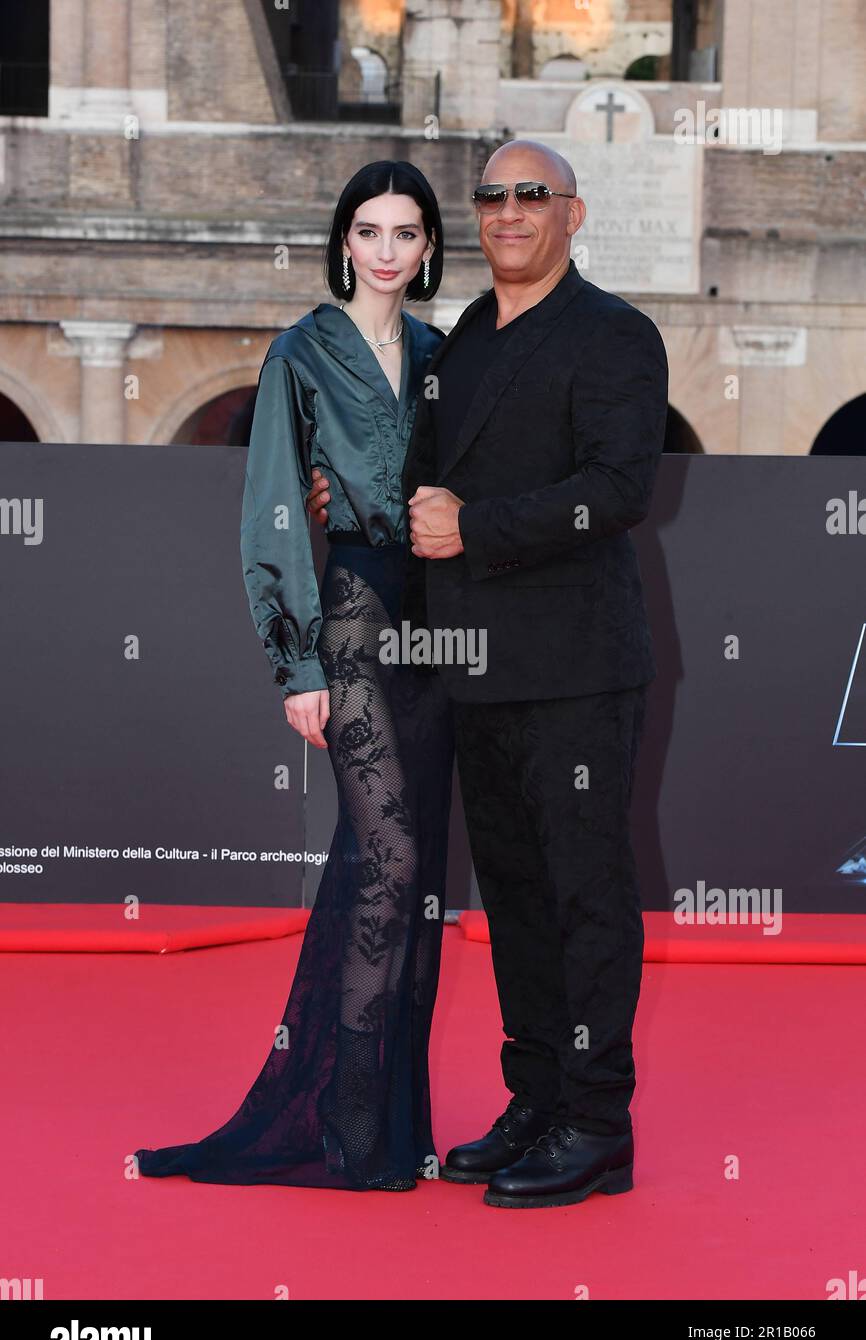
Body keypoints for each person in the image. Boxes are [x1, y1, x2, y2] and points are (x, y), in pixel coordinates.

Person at [308, 138, 669, 1209]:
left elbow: (616, 489)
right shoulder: (463, 333)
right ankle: (536, 1097)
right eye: (492, 196)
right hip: (476, 671)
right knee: (511, 898)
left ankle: (598, 1123)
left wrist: (476, 527)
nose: (508, 211)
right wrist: (358, 509)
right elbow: (424, 484)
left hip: (576, 670)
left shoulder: (614, 335)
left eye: (531, 195)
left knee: (584, 895)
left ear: (571, 212)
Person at [133, 161, 455, 1192]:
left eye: (406, 231)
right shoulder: (299, 353)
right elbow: (274, 506)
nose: (388, 250)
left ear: (428, 247)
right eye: (370, 230)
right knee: (390, 860)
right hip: (354, 613)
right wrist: (296, 662)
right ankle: (349, 1126)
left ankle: (397, 1124)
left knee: (421, 879)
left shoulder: (444, 355)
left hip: (440, 631)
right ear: (343, 242)